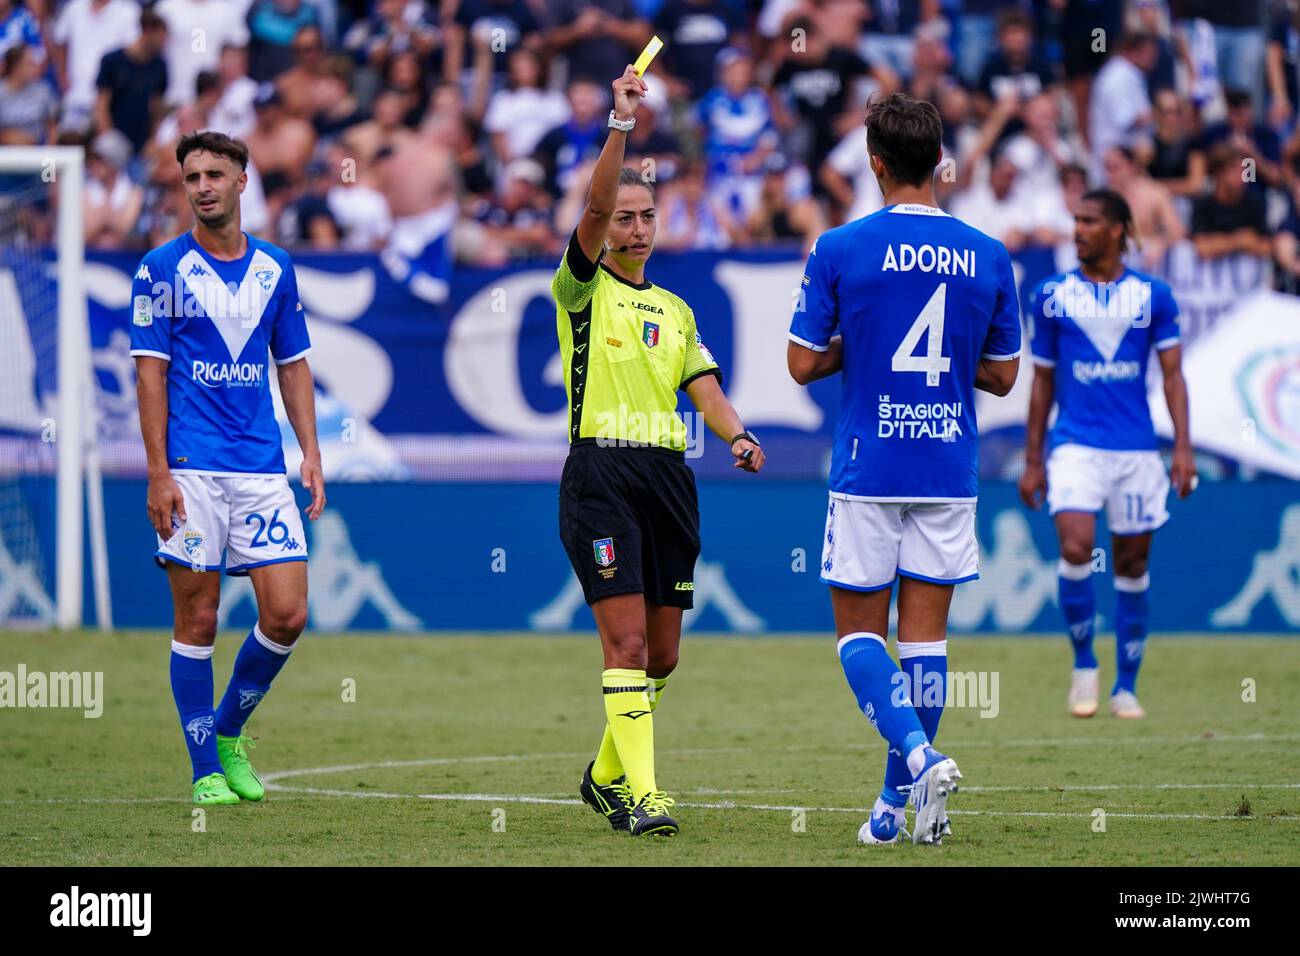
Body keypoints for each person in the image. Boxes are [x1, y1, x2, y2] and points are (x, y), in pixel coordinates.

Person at [787, 92, 1021, 847]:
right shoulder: (988, 253)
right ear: (940, 163)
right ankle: (892, 813)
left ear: (876, 164)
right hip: (948, 464)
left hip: (869, 461)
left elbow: (799, 363)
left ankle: (920, 756)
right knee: (926, 642)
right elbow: (1004, 375)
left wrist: (861, 342)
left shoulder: (840, 247)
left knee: (858, 636)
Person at [555, 64, 765, 838]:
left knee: (664, 657)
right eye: (623, 218)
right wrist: (620, 123)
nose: (635, 228)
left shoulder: (675, 310)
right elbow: (598, 197)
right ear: (604, 226)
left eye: (647, 217)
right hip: (602, 474)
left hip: (669, 477)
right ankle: (641, 796)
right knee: (629, 642)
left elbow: (704, 389)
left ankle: (605, 775)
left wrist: (736, 433)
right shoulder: (580, 291)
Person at [129, 130, 325, 806]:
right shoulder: (158, 269)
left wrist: (311, 452)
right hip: (189, 470)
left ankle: (230, 732)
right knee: (200, 621)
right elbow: (149, 377)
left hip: (262, 469)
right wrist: (158, 472)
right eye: (192, 177)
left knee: (289, 612)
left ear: (244, 181)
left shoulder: (277, 267)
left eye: (215, 173)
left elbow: (292, 365)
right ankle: (204, 768)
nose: (203, 185)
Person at [1020, 188, 1195, 721]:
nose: (1077, 230)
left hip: (1137, 451)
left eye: (1090, 221)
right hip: (1074, 446)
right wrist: (1033, 459)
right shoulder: (1051, 295)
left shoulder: (1153, 296)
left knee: (1132, 563)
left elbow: (1172, 375)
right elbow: (1041, 382)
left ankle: (1126, 685)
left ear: (1118, 228)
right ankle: (1083, 666)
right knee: (1075, 547)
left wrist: (1182, 446)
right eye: (1075, 220)